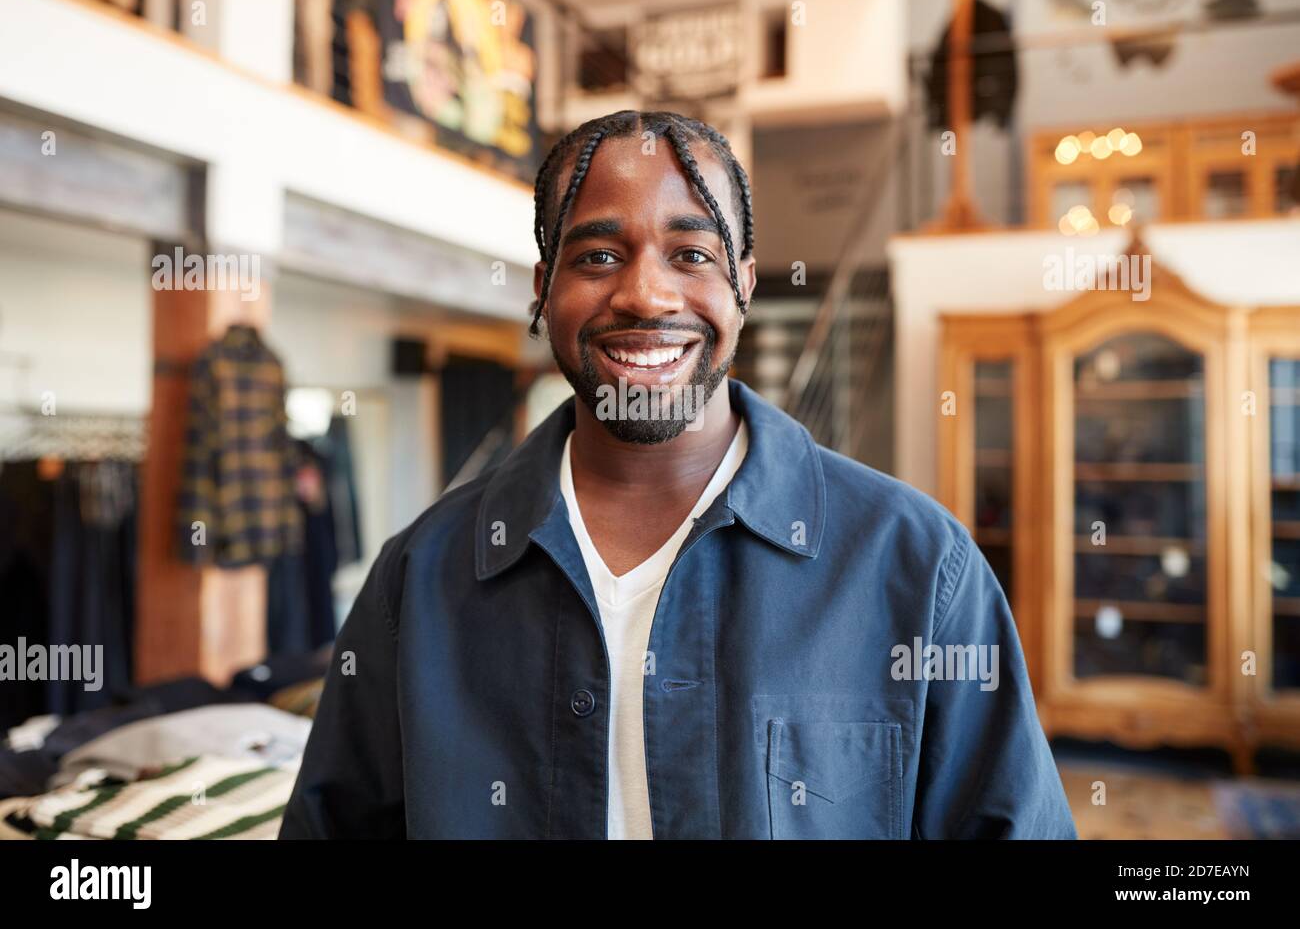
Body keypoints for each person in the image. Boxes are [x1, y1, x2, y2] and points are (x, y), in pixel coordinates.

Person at [279, 110, 1077, 839]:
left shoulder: (916, 565)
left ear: (745, 287)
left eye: (691, 254)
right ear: (543, 289)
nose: (646, 293)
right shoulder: (421, 578)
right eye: (596, 255)